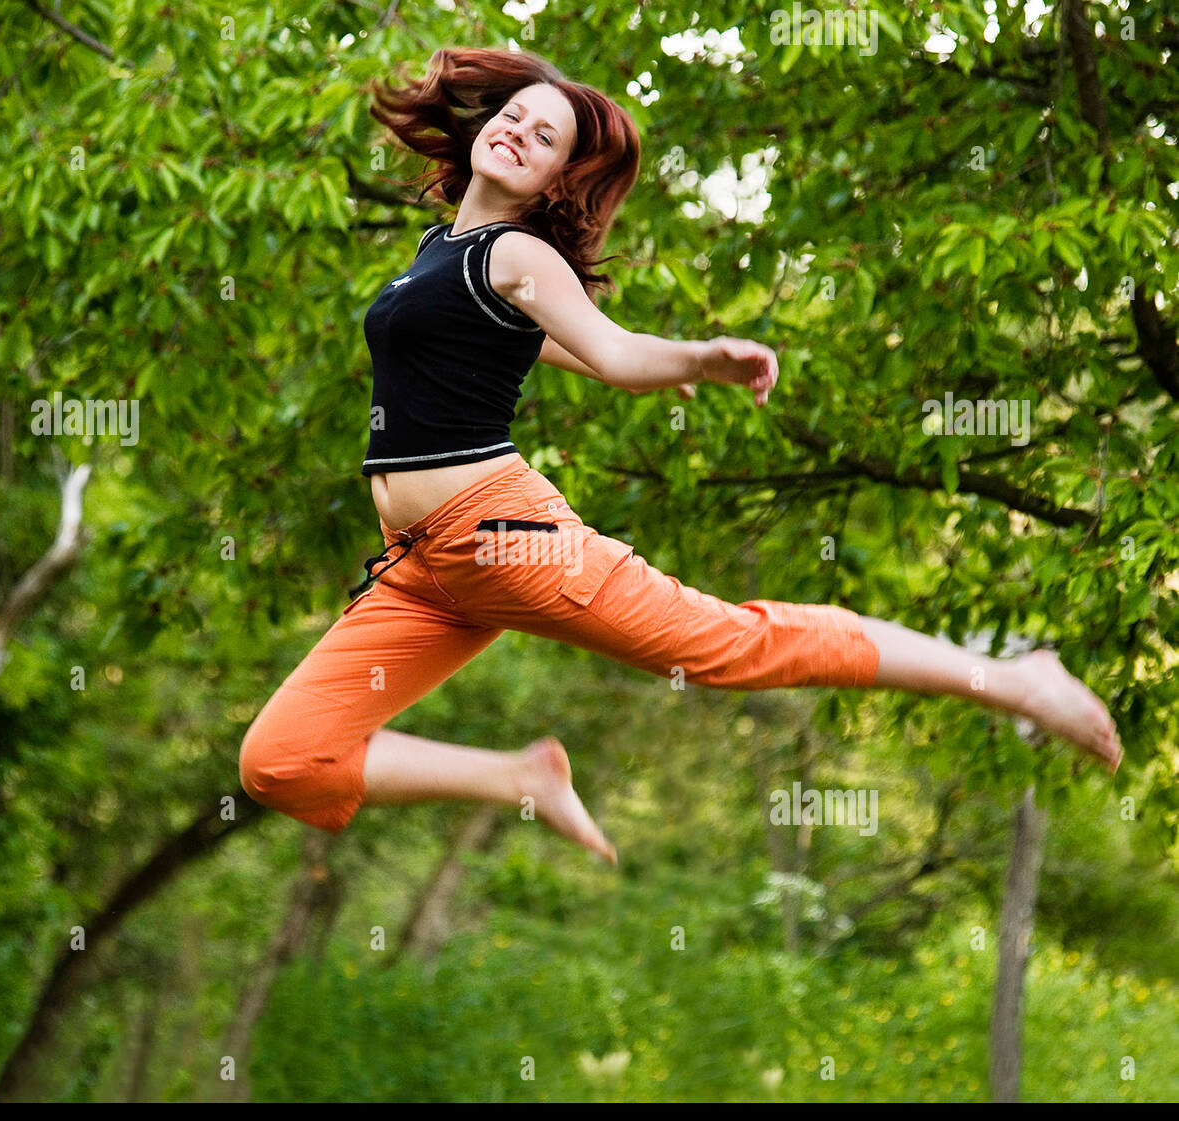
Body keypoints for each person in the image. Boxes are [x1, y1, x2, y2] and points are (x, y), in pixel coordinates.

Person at [239, 47, 1121, 864]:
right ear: (479, 126)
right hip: (424, 571)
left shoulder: (516, 253)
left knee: (730, 644)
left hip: (505, 539)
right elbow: (529, 345)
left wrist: (697, 359)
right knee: (280, 760)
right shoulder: (444, 253)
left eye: (544, 136)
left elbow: (612, 353)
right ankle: (518, 777)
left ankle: (1013, 680)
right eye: (512, 114)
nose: (516, 132)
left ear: (555, 179)